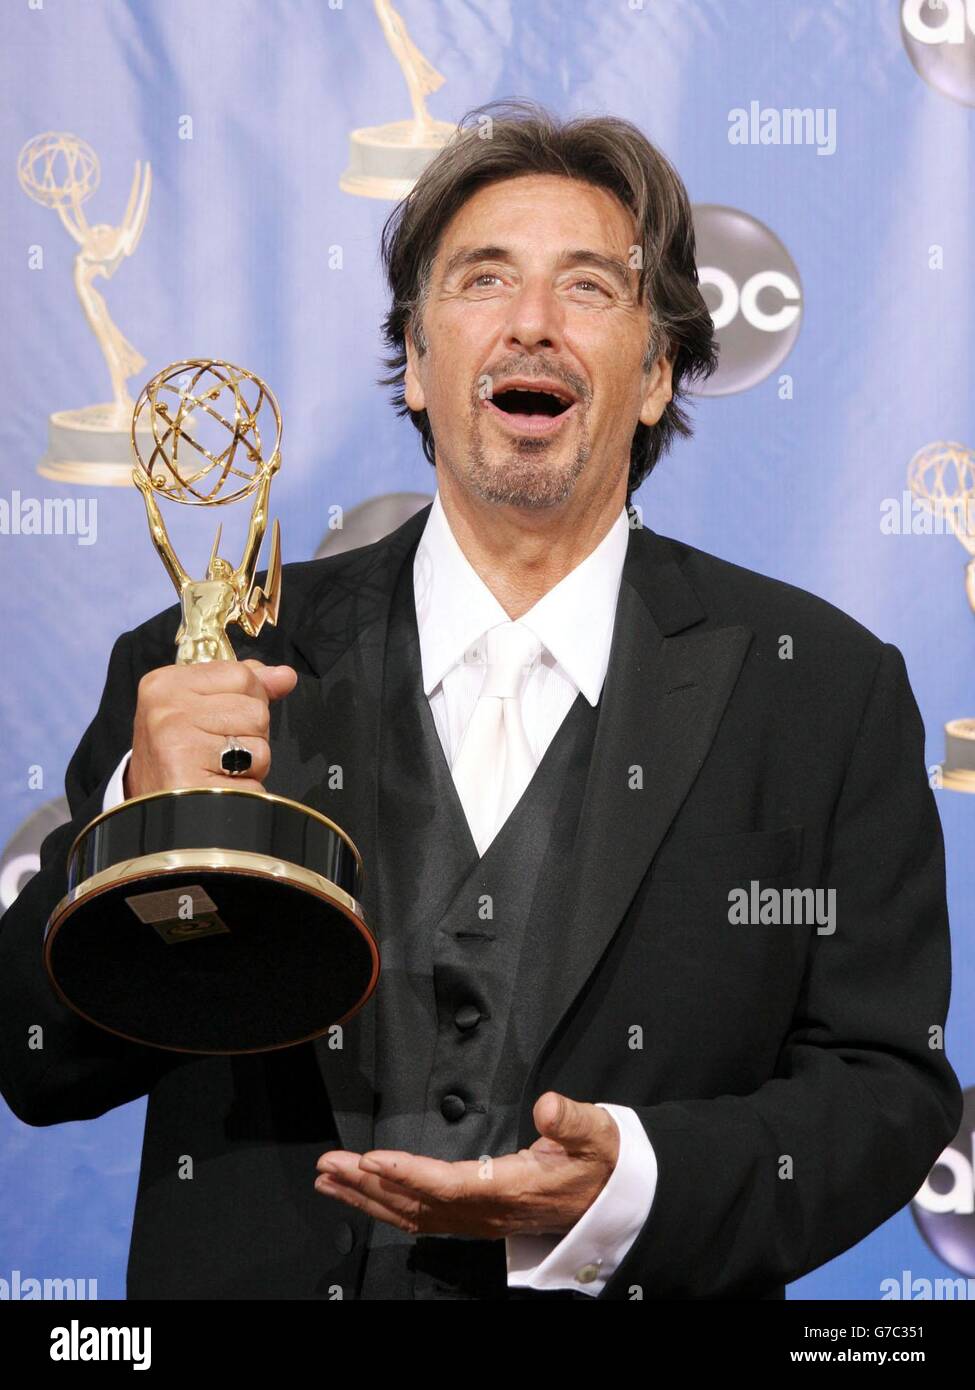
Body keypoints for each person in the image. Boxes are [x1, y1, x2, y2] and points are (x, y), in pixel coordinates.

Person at [0, 100, 962, 1301]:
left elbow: (886, 1086)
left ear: (659, 374)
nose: (531, 325)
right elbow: (39, 1061)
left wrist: (632, 1186)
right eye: (482, 279)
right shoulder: (206, 661)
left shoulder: (822, 688)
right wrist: (146, 823)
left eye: (590, 290)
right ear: (415, 359)